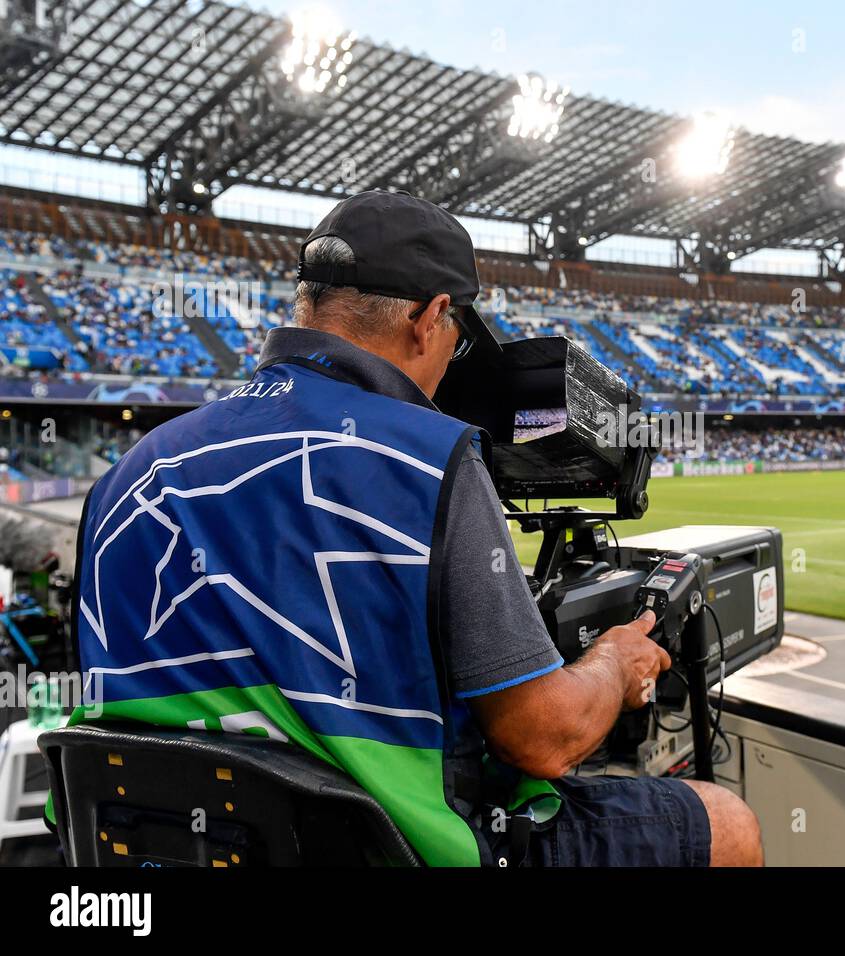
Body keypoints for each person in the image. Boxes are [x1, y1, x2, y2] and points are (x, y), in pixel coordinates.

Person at [71, 189, 761, 867]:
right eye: (457, 337)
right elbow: (543, 739)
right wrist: (615, 660)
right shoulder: (428, 455)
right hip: (399, 849)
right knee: (727, 824)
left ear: (308, 299)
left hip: (151, 849)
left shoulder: (127, 474)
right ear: (431, 318)